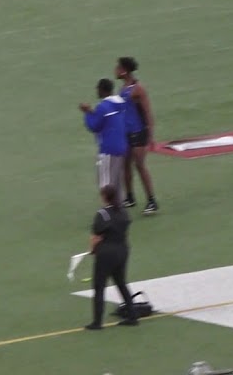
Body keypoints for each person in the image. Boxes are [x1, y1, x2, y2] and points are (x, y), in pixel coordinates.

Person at [84, 185, 140, 331]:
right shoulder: (123, 212)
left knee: (99, 286)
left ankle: (97, 322)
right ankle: (132, 316)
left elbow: (96, 236)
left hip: (106, 253)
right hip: (122, 250)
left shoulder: (102, 214)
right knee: (121, 282)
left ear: (104, 197)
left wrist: (92, 250)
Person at [117, 57, 159, 214]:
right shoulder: (123, 88)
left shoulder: (138, 89)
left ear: (124, 71)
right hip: (126, 133)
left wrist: (150, 136)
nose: (115, 70)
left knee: (140, 166)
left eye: (118, 68)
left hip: (138, 133)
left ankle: (152, 201)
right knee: (125, 165)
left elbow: (147, 112)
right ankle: (129, 197)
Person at [79, 78, 128, 203]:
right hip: (121, 147)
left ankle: (110, 210)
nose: (97, 91)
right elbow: (105, 118)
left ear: (102, 90)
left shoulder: (103, 107)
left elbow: (94, 126)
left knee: (106, 184)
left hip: (108, 149)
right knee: (117, 180)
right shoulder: (120, 102)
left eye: (98, 89)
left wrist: (86, 113)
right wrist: (92, 111)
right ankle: (119, 208)